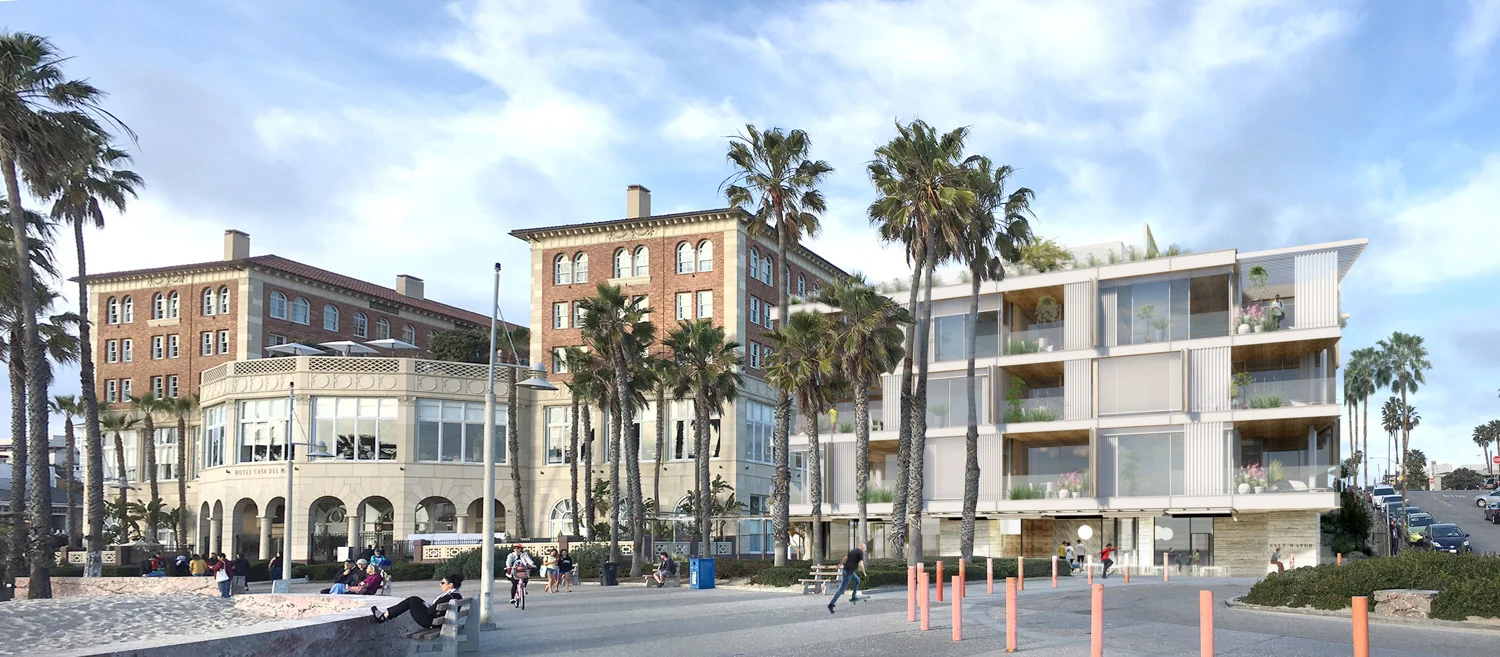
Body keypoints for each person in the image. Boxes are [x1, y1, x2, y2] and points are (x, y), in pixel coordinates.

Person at [373, 574, 464, 628]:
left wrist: (427, 606)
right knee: (415, 599)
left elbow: (430, 611)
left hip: (431, 623)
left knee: (411, 600)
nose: (440, 585)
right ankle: (386, 615)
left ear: (450, 585)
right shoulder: (457, 596)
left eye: (443, 583)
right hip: (442, 622)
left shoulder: (447, 597)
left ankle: (384, 617)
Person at [826, 542, 867, 614]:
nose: (865, 550)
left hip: (847, 570)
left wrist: (840, 564)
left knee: (857, 580)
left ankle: (854, 596)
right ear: (863, 547)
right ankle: (831, 604)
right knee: (842, 590)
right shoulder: (860, 552)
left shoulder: (853, 550)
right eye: (865, 549)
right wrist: (864, 572)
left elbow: (845, 558)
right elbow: (861, 564)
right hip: (849, 572)